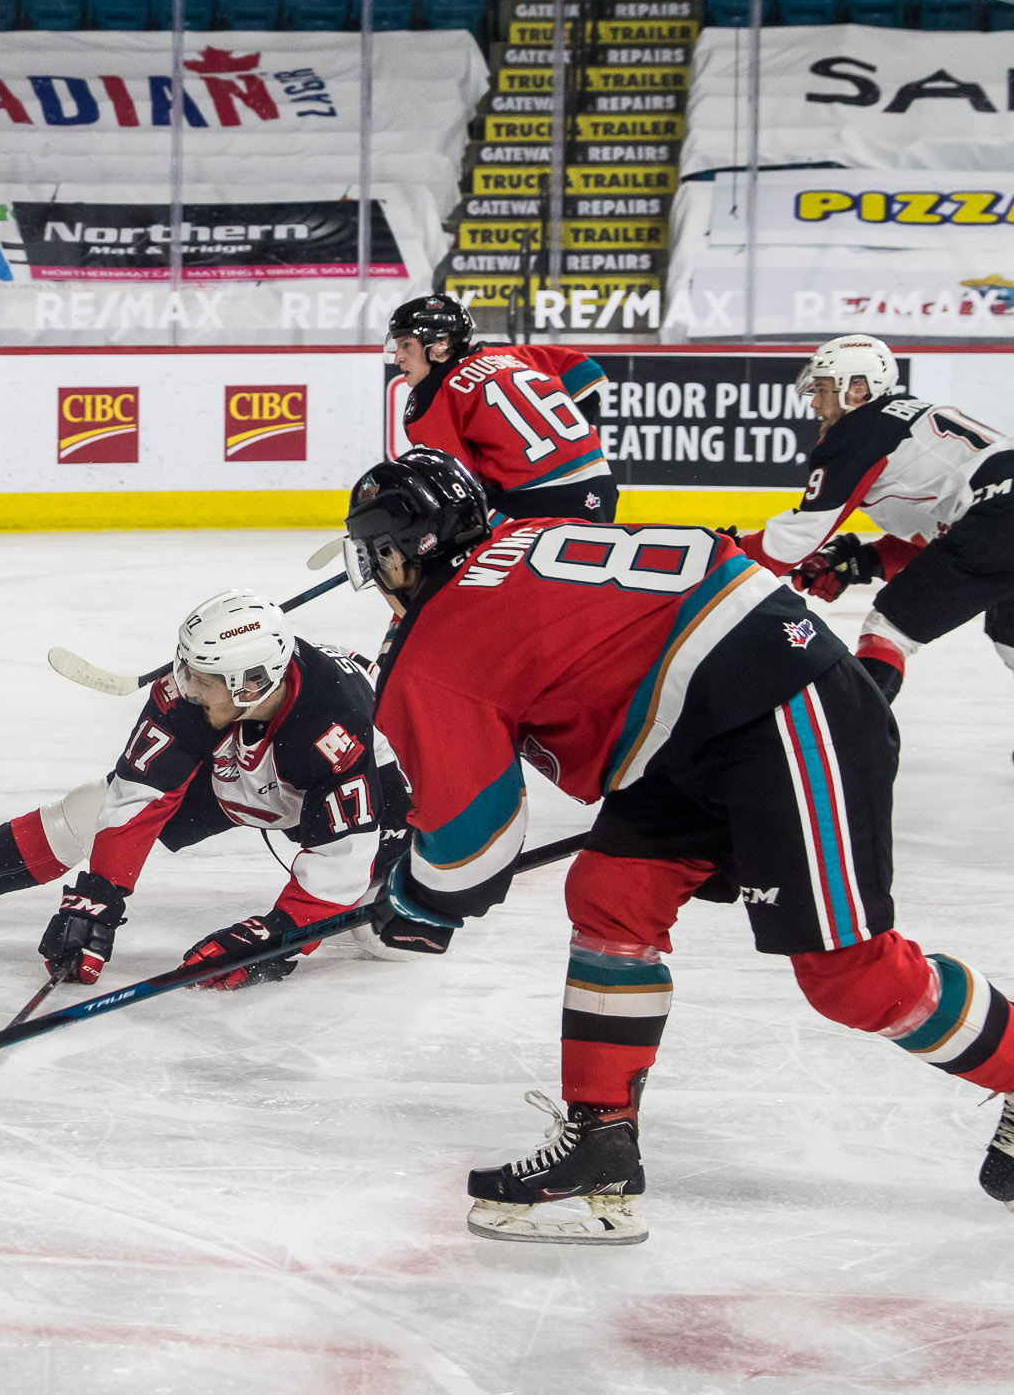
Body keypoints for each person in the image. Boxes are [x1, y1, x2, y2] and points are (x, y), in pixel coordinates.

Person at [344, 446, 1014, 1245]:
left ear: (396, 550)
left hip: (784, 715)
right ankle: (601, 1145)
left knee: (849, 977)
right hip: (713, 722)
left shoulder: (439, 648)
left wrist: (412, 902)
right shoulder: (523, 541)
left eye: (374, 552)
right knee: (610, 895)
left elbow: (471, 852)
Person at [0, 589, 437, 993]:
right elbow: (136, 797)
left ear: (251, 681)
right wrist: (97, 899)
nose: (183, 687)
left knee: (388, 936)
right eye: (186, 668)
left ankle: (399, 885)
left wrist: (276, 939)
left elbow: (339, 859)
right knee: (89, 809)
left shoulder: (336, 728)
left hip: (379, 804)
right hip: (258, 765)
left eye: (200, 679)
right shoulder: (204, 695)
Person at [732, 333, 1014, 706]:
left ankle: (853, 741)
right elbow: (948, 544)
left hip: (1000, 520)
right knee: (1009, 636)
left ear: (857, 389)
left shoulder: (858, 431)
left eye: (823, 390)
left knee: (889, 628)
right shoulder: (904, 420)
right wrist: (859, 562)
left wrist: (724, 555)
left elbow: (797, 539)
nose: (815, 403)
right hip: (997, 520)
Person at [390, 293, 618, 522]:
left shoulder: (430, 395)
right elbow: (587, 372)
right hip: (602, 489)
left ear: (440, 344)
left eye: (406, 345)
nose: (398, 357)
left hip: (536, 508)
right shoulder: (505, 353)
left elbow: (457, 487)